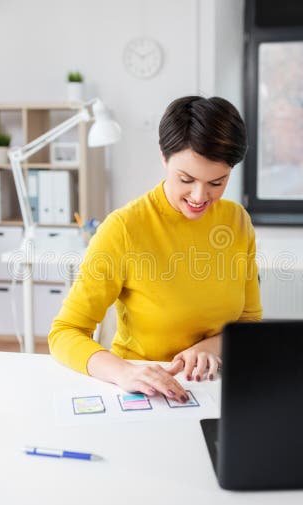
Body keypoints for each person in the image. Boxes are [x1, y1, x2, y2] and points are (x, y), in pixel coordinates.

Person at [48, 96, 262, 402]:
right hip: (141, 391)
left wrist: (208, 348)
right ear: (164, 157)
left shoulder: (236, 221)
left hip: (214, 388)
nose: (200, 196)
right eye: (186, 179)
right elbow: (65, 333)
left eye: (217, 182)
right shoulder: (124, 228)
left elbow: (248, 322)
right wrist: (124, 372)